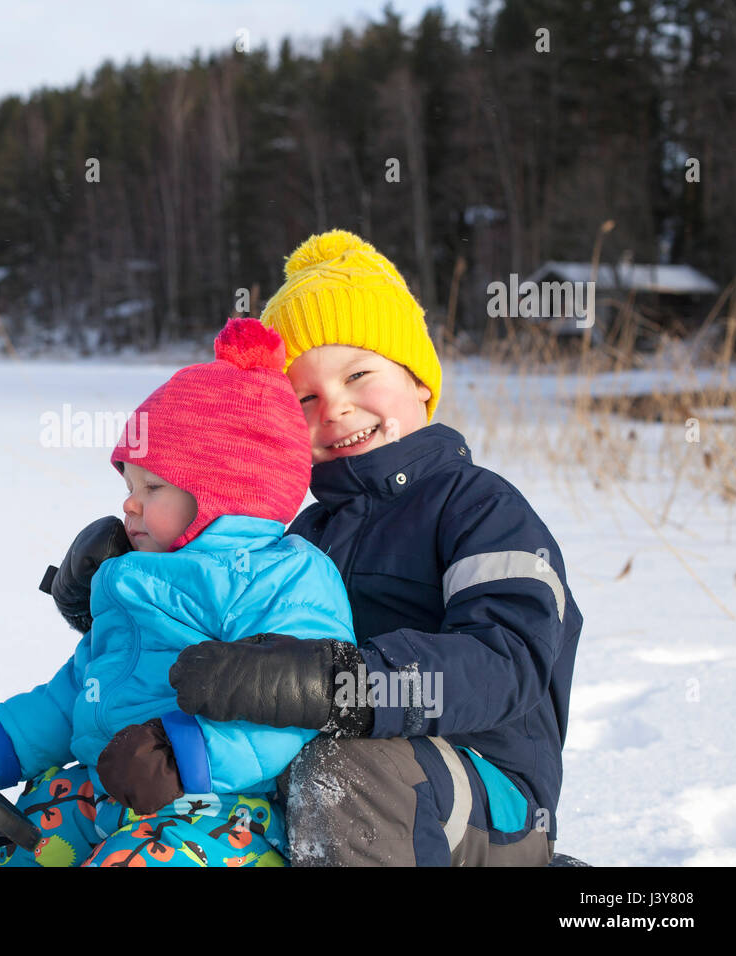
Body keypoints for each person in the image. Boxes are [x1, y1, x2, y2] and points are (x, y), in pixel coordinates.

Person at [161, 229, 585, 865]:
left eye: (358, 373)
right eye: (304, 397)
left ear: (418, 380)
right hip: (333, 792)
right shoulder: (303, 535)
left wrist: (344, 686)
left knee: (343, 769)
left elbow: (507, 659)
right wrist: (122, 583)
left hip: (487, 801)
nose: (333, 408)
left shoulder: (482, 510)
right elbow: (219, 623)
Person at [0, 318, 356, 867]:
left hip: (225, 810)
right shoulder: (130, 577)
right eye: (128, 486)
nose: (129, 505)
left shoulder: (282, 577)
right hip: (108, 789)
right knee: (30, 829)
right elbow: (76, 692)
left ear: (224, 493)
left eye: (152, 487)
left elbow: (292, 708)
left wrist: (184, 756)